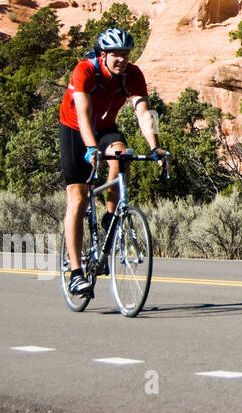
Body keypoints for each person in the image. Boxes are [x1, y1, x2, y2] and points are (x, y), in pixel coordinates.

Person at [58, 27, 166, 296]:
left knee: (122, 152)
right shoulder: (85, 71)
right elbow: (83, 113)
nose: (122, 60)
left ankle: (110, 216)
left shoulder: (133, 75)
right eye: (116, 54)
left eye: (126, 54)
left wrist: (156, 146)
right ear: (103, 54)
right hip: (75, 129)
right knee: (78, 196)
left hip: (106, 128)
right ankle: (75, 272)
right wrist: (92, 148)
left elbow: (144, 112)